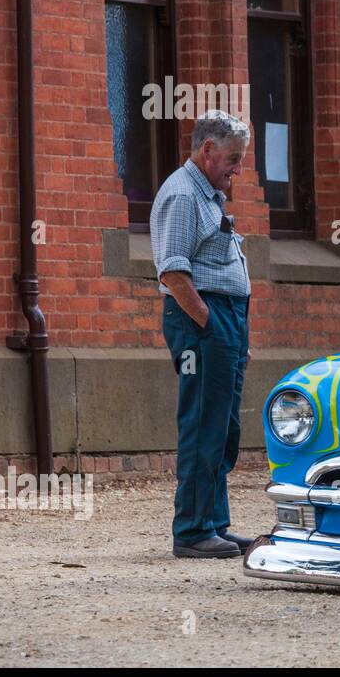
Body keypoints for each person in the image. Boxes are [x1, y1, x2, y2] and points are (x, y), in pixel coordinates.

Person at [150, 111, 255, 559]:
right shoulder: (181, 194)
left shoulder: (207, 193)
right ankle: (192, 530)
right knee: (202, 422)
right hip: (203, 322)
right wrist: (209, 324)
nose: (238, 168)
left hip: (224, 320)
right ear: (207, 149)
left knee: (224, 425)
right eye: (233, 158)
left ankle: (214, 523)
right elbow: (172, 269)